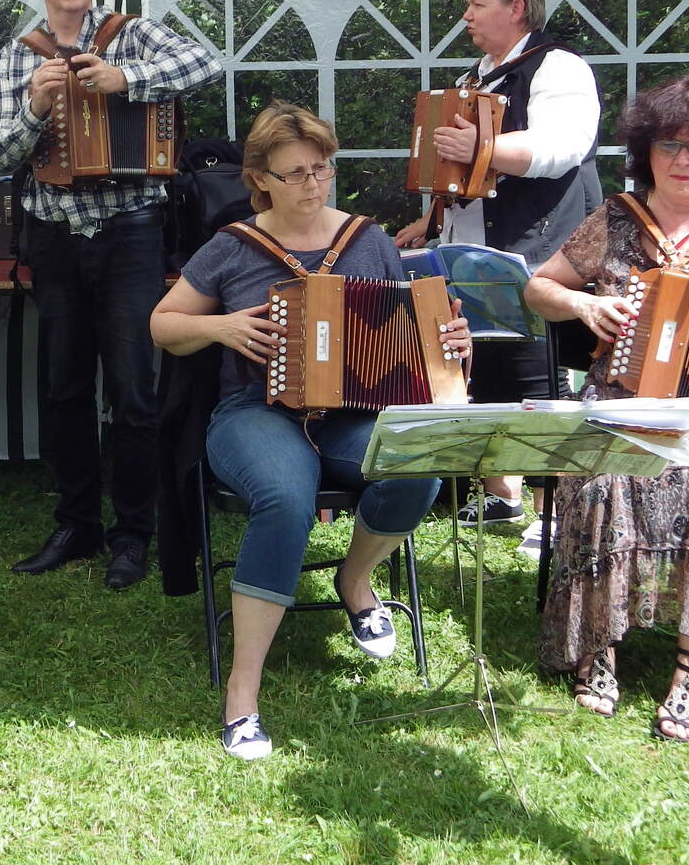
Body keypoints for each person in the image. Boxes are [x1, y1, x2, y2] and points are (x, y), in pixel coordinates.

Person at [151, 103, 469, 759]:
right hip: (253, 412)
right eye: (295, 174)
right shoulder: (234, 245)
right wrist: (222, 327)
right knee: (286, 498)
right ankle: (243, 690)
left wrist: (450, 338)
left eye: (321, 169)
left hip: (354, 411)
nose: (312, 184)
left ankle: (354, 581)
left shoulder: (367, 239)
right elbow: (162, 323)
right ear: (260, 178)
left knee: (419, 467)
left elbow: (412, 333)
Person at [524, 73, 689, 742]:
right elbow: (536, 286)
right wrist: (585, 304)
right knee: (603, 469)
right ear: (647, 149)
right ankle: (598, 650)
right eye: (670, 144)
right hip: (620, 397)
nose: (683, 160)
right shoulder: (616, 219)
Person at [0, 0, 221, 591]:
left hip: (130, 229)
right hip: (54, 236)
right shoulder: (16, 57)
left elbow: (208, 65)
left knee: (133, 389)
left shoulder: (133, 33)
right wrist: (32, 107)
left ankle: (133, 533)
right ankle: (77, 524)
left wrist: (127, 77)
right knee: (64, 387)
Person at [395, 0, 601, 532]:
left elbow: (562, 146)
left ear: (516, 9)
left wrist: (480, 148)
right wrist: (431, 218)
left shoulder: (559, 67)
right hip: (477, 243)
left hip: (542, 246)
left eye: (477, 4)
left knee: (542, 375)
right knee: (483, 363)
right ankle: (503, 495)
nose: (466, 15)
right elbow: (464, 175)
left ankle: (556, 517)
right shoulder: (478, 76)